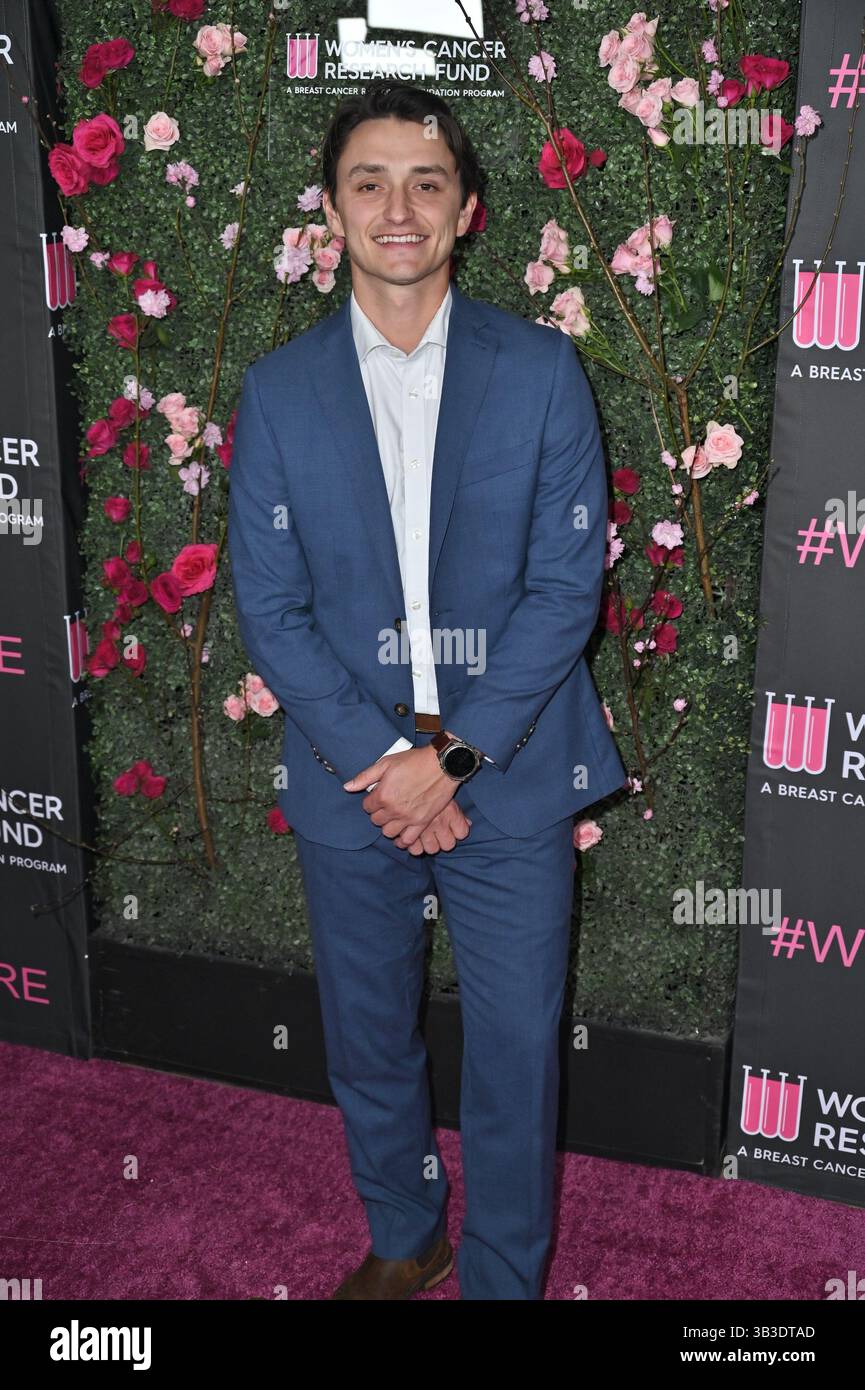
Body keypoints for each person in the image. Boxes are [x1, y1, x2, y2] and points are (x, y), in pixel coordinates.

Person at [227, 78, 626, 1301]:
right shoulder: (279, 391)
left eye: (426, 182)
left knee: (513, 1049)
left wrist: (446, 759)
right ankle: (408, 1236)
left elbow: (566, 592)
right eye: (368, 182)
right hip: (351, 778)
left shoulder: (544, 371)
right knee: (367, 1034)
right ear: (333, 216)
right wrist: (383, 760)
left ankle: (504, 1277)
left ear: (466, 213)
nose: (397, 206)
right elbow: (272, 608)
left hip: (502, 775)